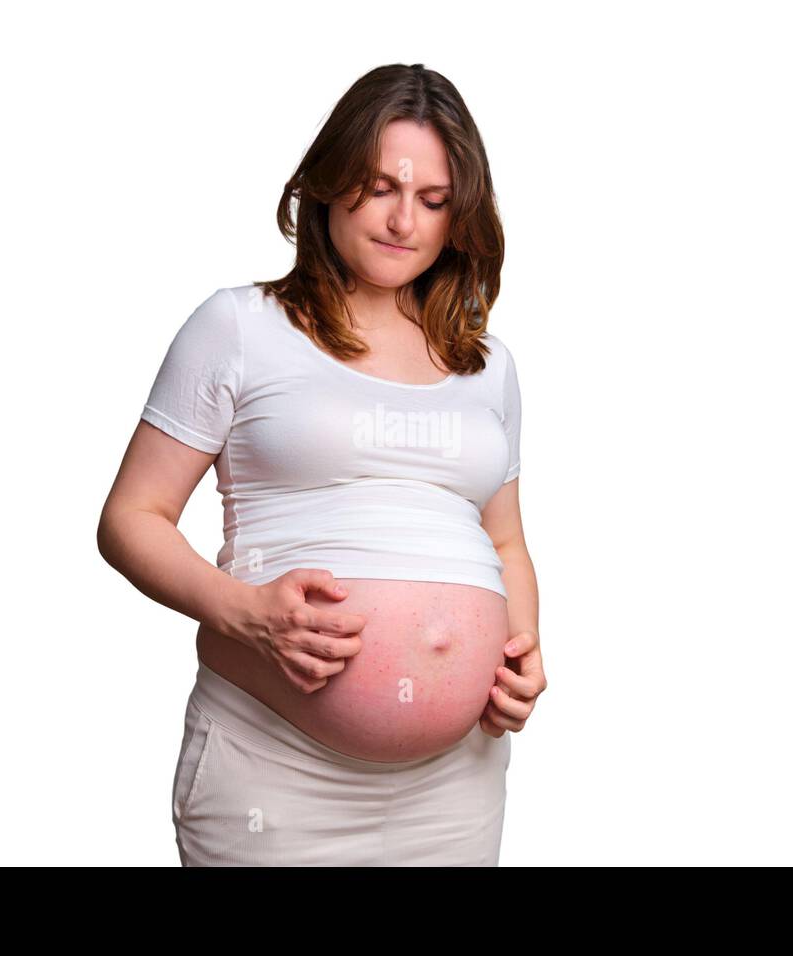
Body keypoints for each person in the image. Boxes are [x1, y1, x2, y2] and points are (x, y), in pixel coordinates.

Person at [97, 63, 547, 866]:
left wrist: (522, 650)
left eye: (433, 200)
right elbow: (131, 519)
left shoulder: (489, 366)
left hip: (456, 789)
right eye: (380, 186)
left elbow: (505, 543)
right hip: (276, 773)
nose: (404, 219)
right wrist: (243, 611)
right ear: (329, 182)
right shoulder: (239, 327)